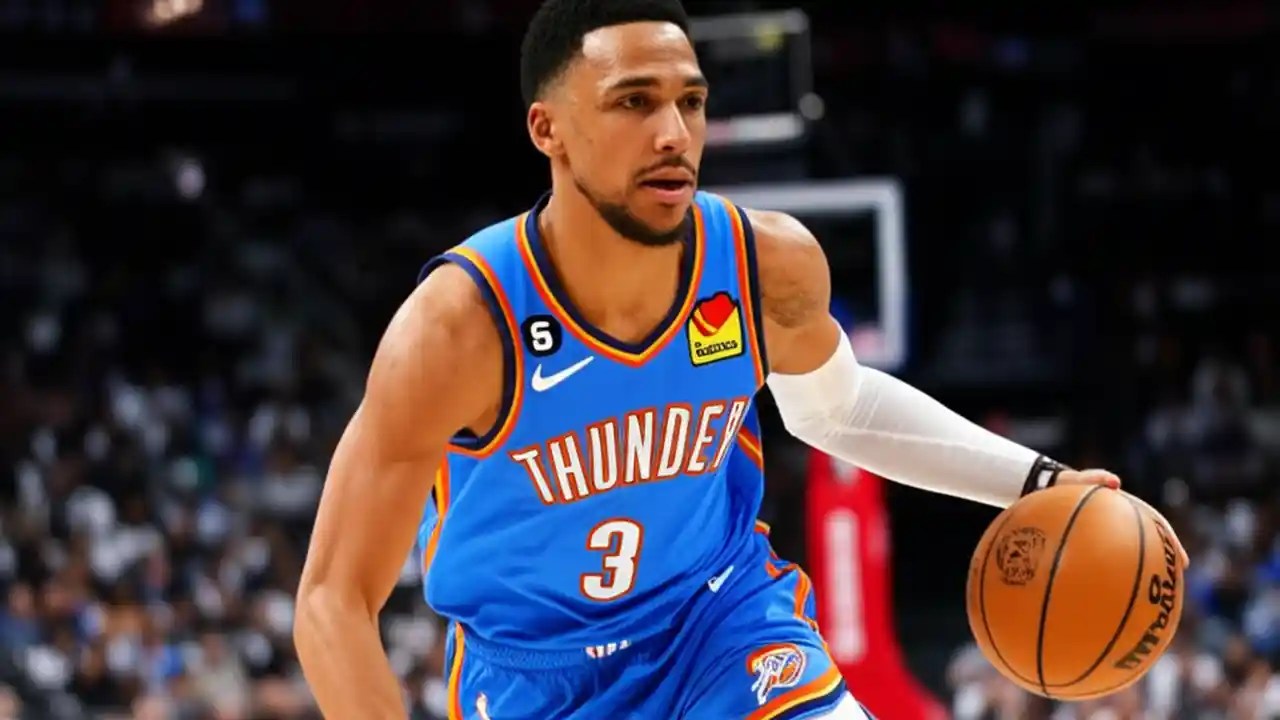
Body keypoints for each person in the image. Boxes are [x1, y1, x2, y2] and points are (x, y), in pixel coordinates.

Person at [293, 1, 1188, 717]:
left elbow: (835, 409)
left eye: (690, 100)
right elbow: (333, 599)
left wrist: (1037, 481)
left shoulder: (765, 265)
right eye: (634, 101)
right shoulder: (459, 326)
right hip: (538, 678)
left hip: (720, 622)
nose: (674, 132)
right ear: (548, 129)